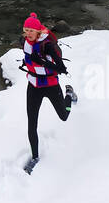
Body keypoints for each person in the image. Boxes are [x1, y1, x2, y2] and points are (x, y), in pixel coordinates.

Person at [19, 12, 77, 174]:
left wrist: (41, 60)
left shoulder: (47, 46)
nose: (28, 33)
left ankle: (69, 95)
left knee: (64, 116)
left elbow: (60, 68)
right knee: (32, 124)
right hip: (33, 86)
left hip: (51, 85)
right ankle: (35, 156)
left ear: (38, 32)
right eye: (26, 30)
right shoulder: (24, 42)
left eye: (31, 30)